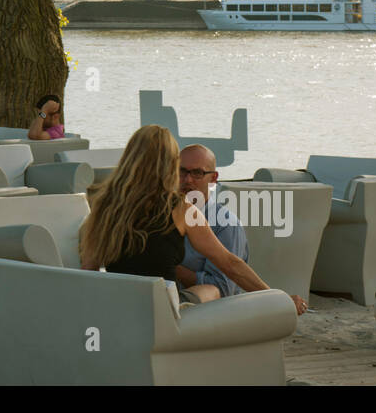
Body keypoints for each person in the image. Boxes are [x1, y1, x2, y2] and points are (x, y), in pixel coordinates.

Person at [79, 125, 307, 315]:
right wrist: (277, 298)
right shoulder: (179, 208)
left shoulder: (104, 206)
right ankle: (187, 311)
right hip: (161, 310)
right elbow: (230, 264)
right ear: (169, 165)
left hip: (119, 304)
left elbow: (88, 269)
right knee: (213, 291)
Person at [174, 144, 249, 299]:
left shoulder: (226, 225)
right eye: (181, 171)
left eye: (197, 173)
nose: (187, 180)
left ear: (213, 179)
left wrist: (170, 268)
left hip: (207, 311)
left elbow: (222, 287)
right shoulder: (161, 214)